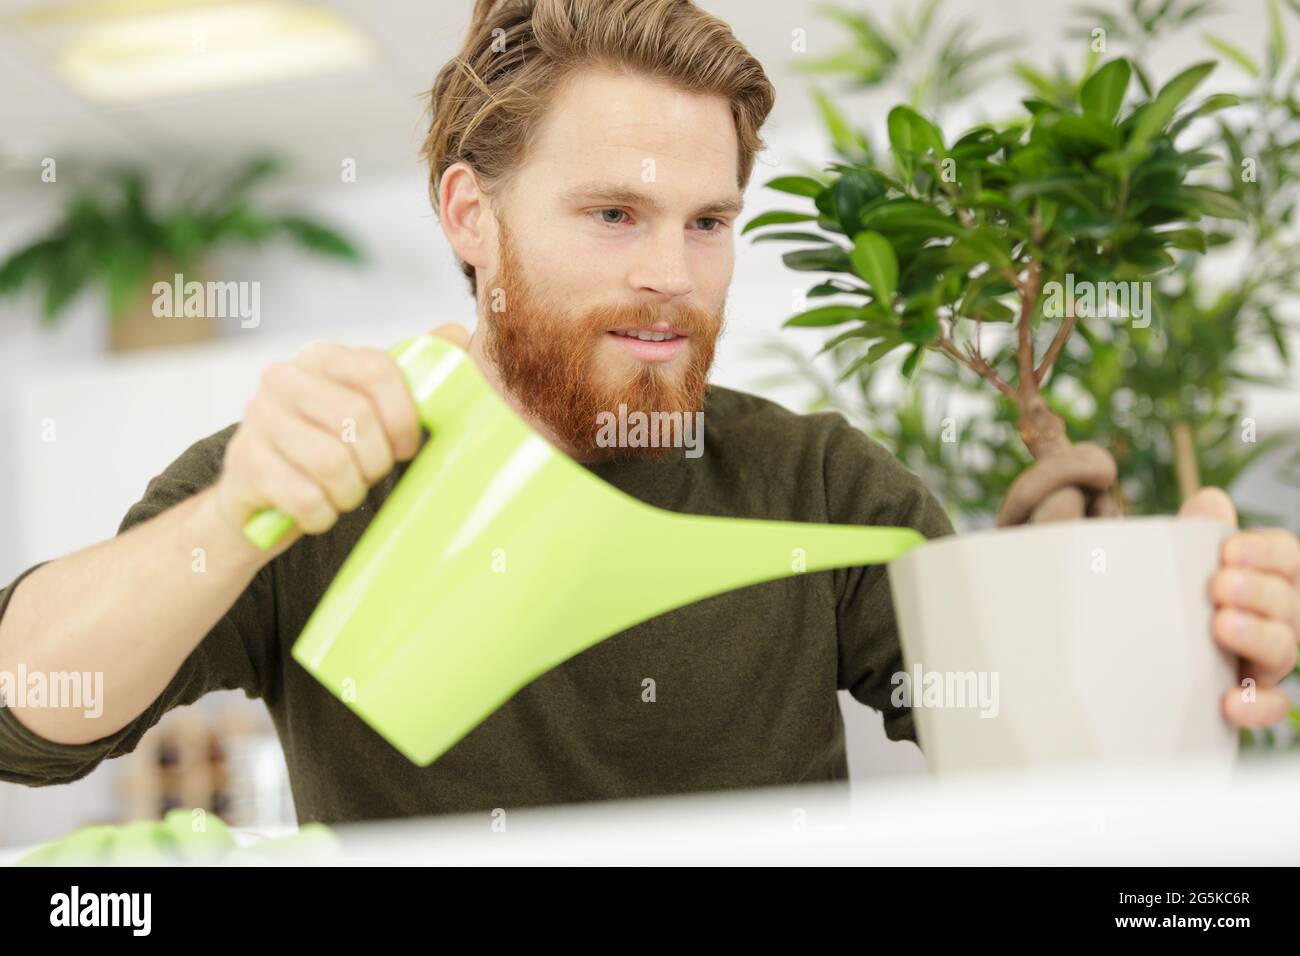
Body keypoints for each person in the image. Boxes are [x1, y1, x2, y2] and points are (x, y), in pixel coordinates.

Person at [0, 0, 1296, 827]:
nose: (670, 277)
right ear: (473, 218)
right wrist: (237, 515)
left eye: (709, 223)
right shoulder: (321, 461)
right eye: (613, 214)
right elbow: (28, 719)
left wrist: (1183, 636)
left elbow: (1038, 759)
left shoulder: (814, 486)